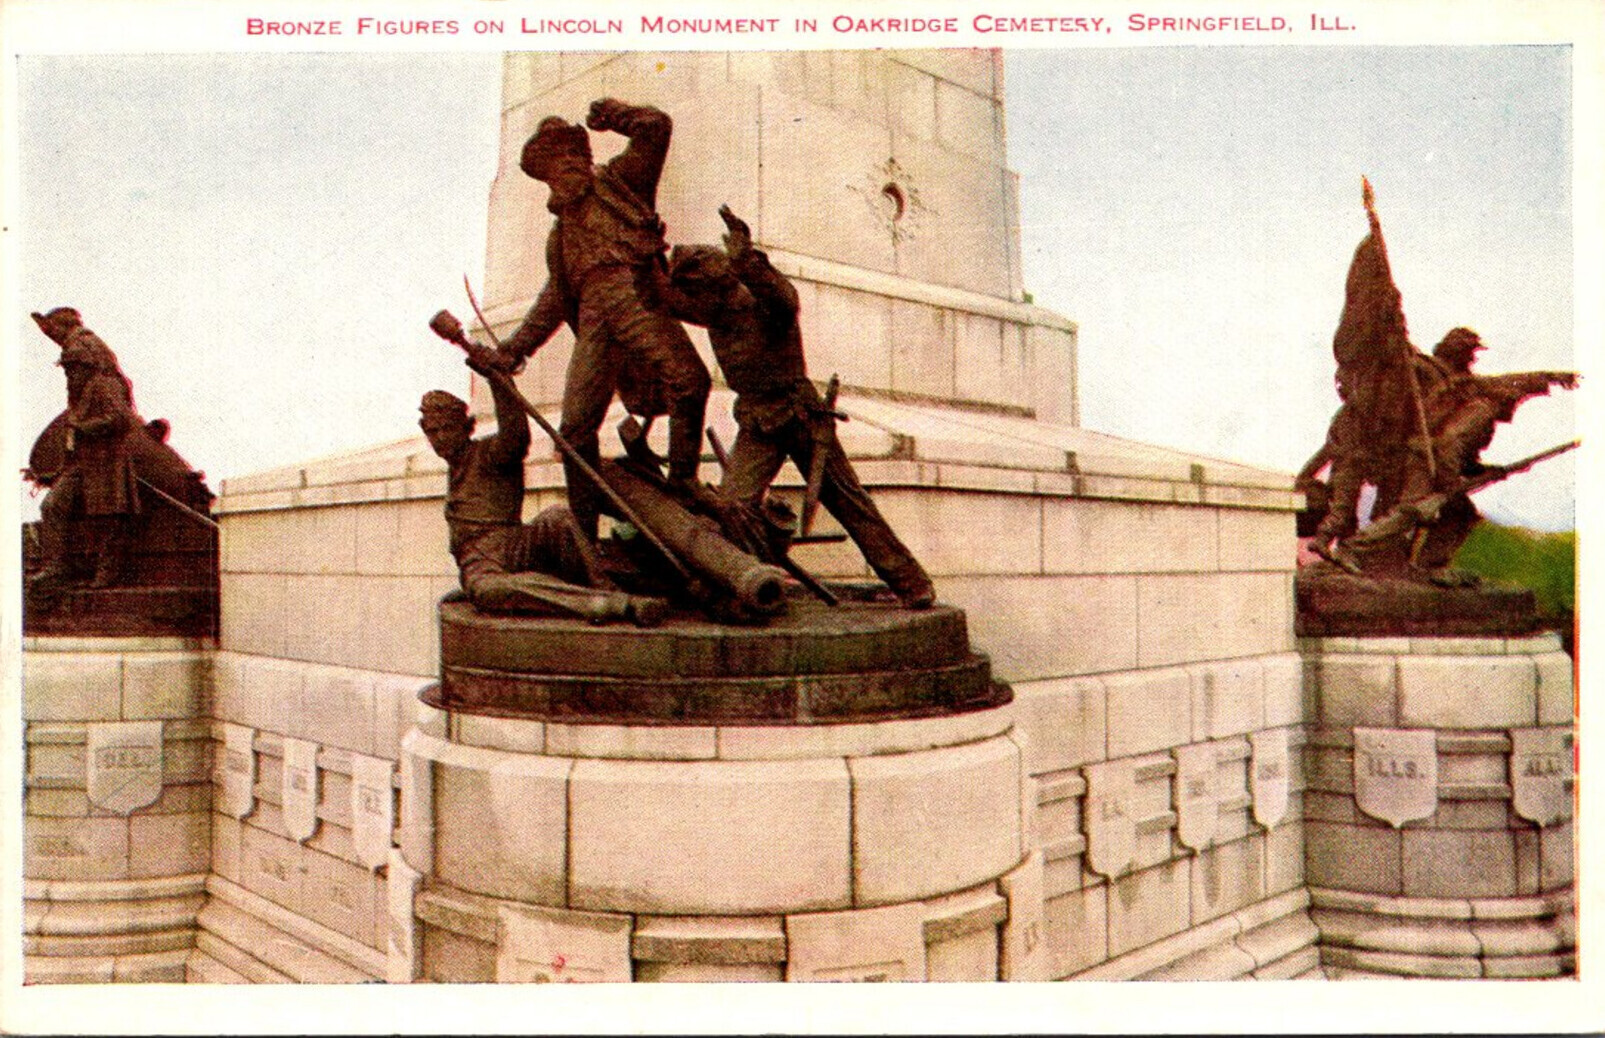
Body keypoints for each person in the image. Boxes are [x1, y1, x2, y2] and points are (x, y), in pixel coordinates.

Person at [637, 205, 935, 609]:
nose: (691, 307)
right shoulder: (713, 309)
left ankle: (912, 584)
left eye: (695, 296)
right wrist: (649, 249)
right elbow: (662, 297)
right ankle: (737, 583)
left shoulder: (759, 304)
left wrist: (747, 259)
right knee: (734, 506)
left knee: (847, 501)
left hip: (800, 416)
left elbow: (786, 297)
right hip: (759, 422)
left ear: (715, 287)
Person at [488, 98, 711, 543]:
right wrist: (515, 348)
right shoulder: (559, 239)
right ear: (547, 178)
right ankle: (585, 532)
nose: (570, 166)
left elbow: (656, 127)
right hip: (595, 323)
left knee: (690, 379)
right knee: (573, 431)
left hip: (635, 301)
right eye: (557, 163)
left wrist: (612, 115)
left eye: (576, 156)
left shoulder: (622, 183)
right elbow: (554, 299)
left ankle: (683, 481)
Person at [419, 348, 667, 626]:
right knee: (488, 591)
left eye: (446, 429)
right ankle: (606, 605)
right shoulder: (455, 468)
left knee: (557, 518)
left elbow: (515, 434)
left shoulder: (489, 454)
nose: (439, 438)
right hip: (480, 565)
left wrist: (497, 378)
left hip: (514, 545)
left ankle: (607, 589)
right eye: (432, 431)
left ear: (468, 426)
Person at [32, 311, 141, 588]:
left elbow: (122, 419)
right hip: (83, 462)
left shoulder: (104, 385)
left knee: (107, 519)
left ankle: (107, 572)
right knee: (53, 505)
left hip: (106, 461)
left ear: (85, 364)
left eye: (72, 368)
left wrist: (84, 428)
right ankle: (57, 566)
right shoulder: (83, 391)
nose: (69, 374)